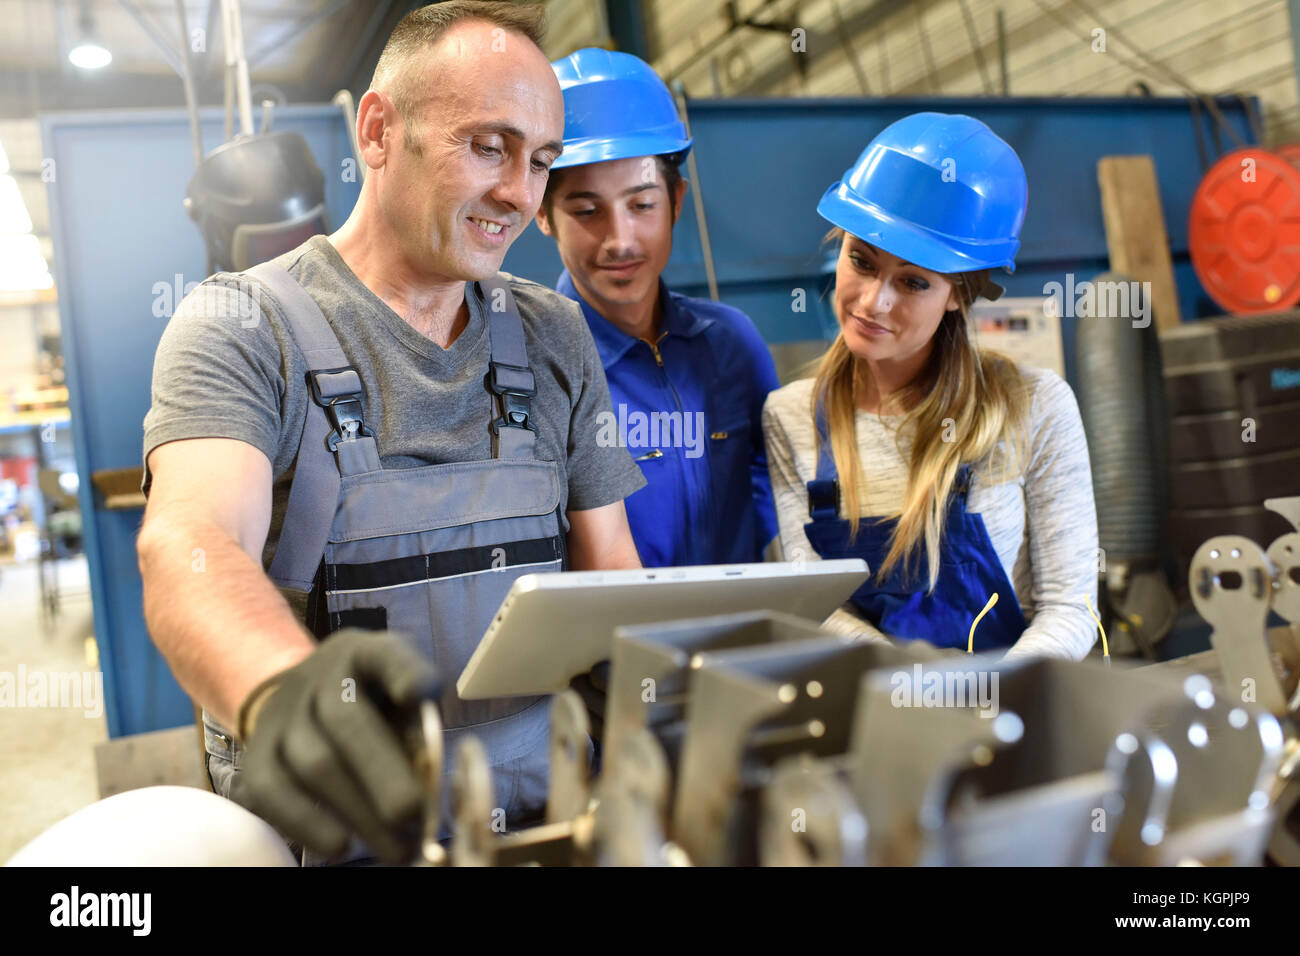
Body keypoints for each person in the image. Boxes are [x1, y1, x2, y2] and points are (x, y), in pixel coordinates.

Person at [137, 2, 645, 865]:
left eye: (541, 161)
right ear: (378, 130)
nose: (521, 194)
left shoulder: (556, 333)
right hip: (338, 830)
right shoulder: (241, 324)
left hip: (544, 819)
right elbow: (191, 542)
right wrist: (280, 690)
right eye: (489, 146)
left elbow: (614, 580)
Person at [762, 112, 1098, 659]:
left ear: (958, 295)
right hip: (876, 712)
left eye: (914, 281)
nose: (874, 302)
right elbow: (818, 605)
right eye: (861, 262)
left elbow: (1070, 606)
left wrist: (992, 703)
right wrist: (911, 696)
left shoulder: (1034, 406)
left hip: (1017, 714)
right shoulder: (792, 417)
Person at [535, 48, 779, 567]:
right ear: (542, 213)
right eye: (586, 210)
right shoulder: (535, 370)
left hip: (743, 636)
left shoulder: (732, 344)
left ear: (678, 201)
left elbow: (774, 481)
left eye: (642, 204)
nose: (620, 240)